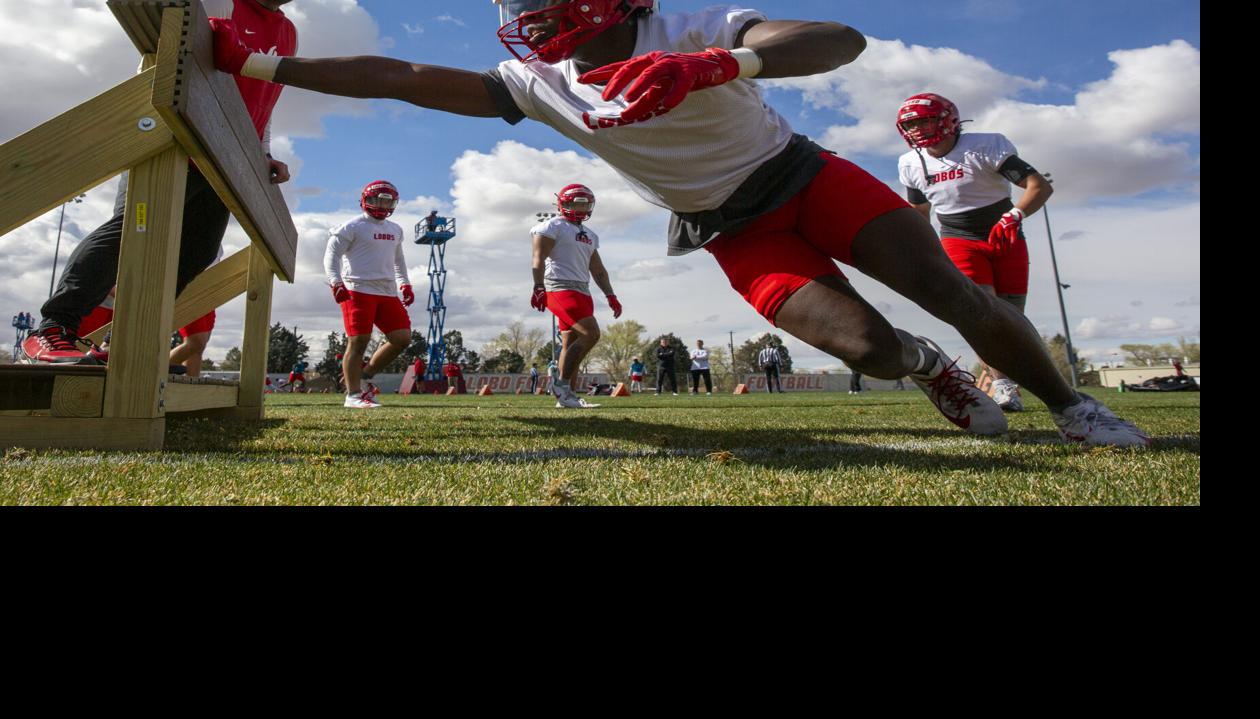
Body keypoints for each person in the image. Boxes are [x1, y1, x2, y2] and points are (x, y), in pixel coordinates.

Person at [208, 0, 1146, 444]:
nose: (525, 15)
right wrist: (258, 70)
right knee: (863, 344)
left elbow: (835, 40)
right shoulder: (535, 81)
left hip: (802, 174)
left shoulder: (688, 22)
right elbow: (398, 76)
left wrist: (716, 66)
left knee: (948, 288)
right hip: (728, 226)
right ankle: (930, 370)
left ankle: (1073, 407)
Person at [21, 0, 298, 367]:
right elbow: (166, 50)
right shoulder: (223, 2)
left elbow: (265, 99)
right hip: (176, 133)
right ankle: (54, 328)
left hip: (227, 156)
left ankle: (127, 339)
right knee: (130, 232)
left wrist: (262, 152)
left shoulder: (288, 32)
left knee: (198, 251)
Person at [896, 92, 1050, 413]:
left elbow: (1039, 186)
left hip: (1004, 231)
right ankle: (1004, 385)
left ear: (949, 120)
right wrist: (922, 254)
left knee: (1012, 318)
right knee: (981, 313)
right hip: (957, 237)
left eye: (924, 120)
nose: (918, 129)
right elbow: (919, 211)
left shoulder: (986, 145)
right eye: (911, 124)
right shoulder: (910, 163)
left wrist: (1015, 215)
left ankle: (1004, 378)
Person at [325, 180, 416, 409]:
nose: (383, 205)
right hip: (357, 289)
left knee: (402, 338)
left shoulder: (395, 229)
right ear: (365, 200)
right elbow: (331, 256)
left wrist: (405, 283)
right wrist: (336, 282)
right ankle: (353, 395)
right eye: (378, 200)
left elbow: (398, 260)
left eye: (388, 201)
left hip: (386, 291)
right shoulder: (352, 226)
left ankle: (366, 374)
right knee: (358, 341)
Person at [530, 183, 622, 408]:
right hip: (560, 287)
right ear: (563, 203)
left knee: (570, 341)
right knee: (591, 334)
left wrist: (610, 295)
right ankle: (561, 386)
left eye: (584, 204)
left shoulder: (589, 234)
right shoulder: (551, 226)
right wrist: (539, 286)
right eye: (575, 203)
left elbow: (598, 269)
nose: (580, 208)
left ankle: (566, 397)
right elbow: (538, 259)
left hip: (582, 289)